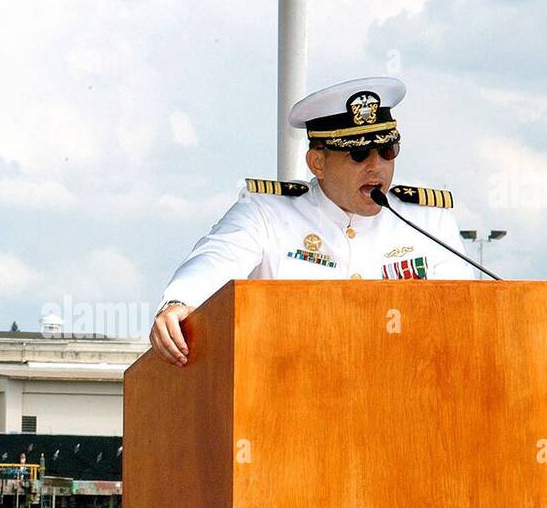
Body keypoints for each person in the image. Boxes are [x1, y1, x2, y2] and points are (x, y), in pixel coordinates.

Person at [149, 77, 477, 365]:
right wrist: (181, 302)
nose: (377, 166)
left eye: (387, 151)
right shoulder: (266, 215)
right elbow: (215, 260)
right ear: (317, 162)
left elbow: (473, 315)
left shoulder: (429, 222)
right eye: (359, 154)